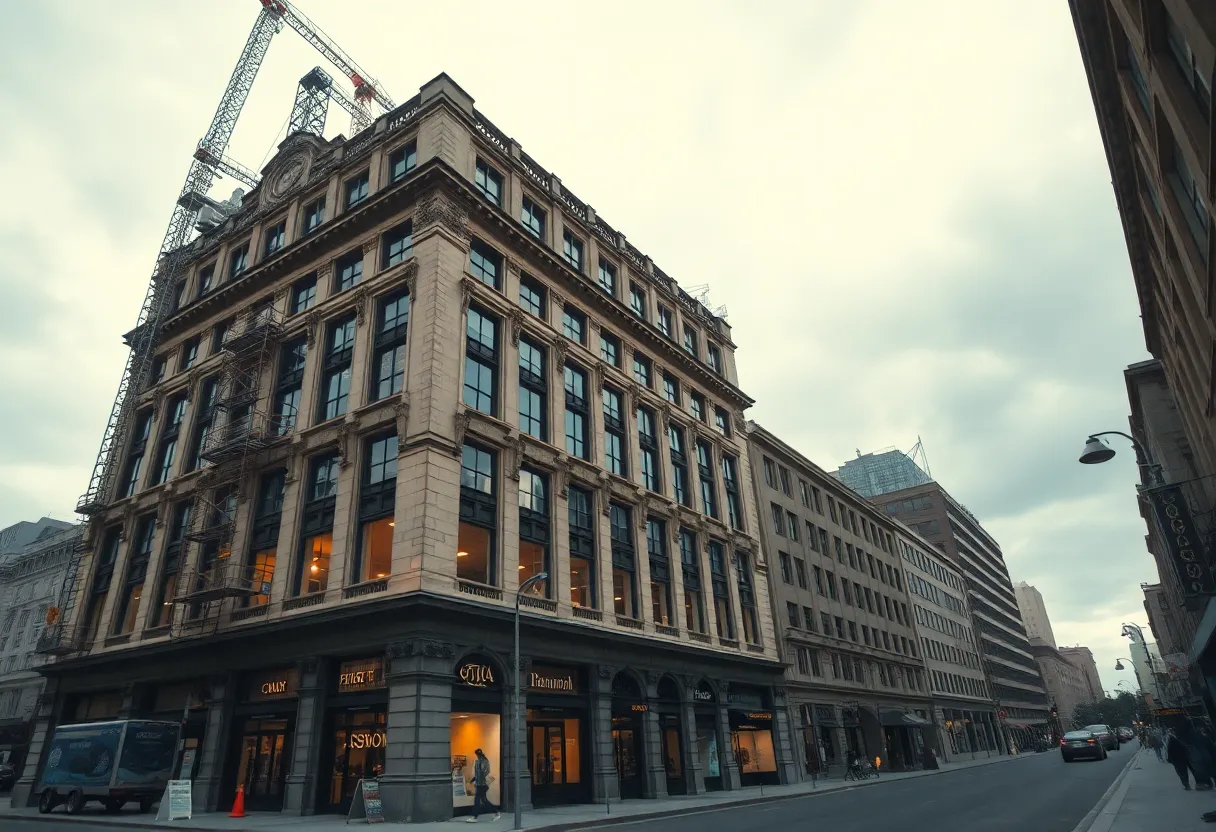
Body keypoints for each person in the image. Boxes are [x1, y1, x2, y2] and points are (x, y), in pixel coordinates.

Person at [466, 748, 500, 823]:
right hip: (480, 784)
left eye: (477, 754)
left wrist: (475, 780)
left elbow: (483, 773)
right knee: (484, 801)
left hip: (482, 784)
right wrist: (473, 780)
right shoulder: (481, 761)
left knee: (477, 800)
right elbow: (479, 773)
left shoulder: (483, 761)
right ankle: (496, 812)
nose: (477, 756)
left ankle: (475, 817)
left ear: (478, 754)